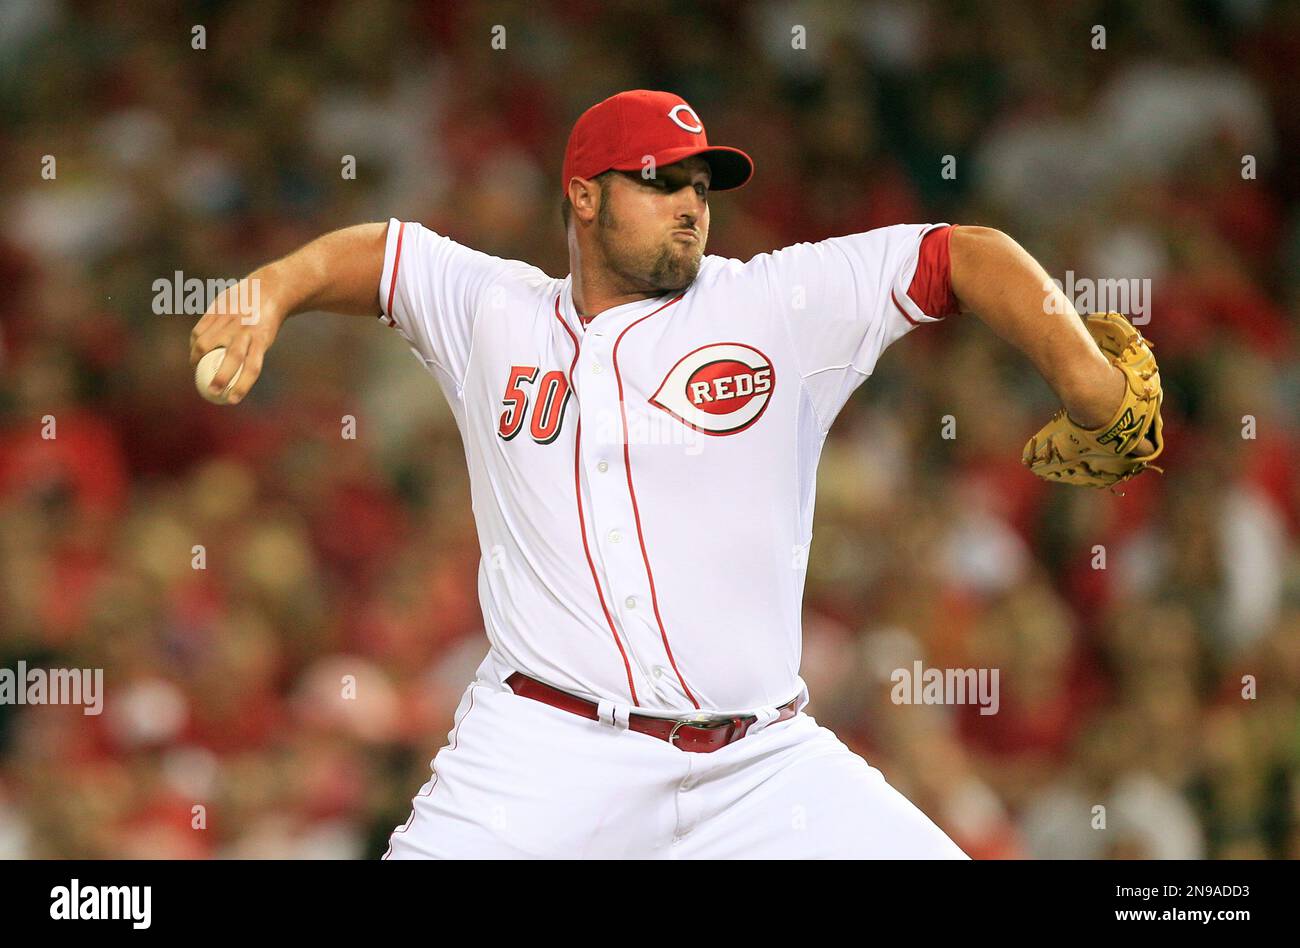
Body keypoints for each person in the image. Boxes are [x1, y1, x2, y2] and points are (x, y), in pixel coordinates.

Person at [190, 90, 1143, 859]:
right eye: (660, 180)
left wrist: (1084, 376)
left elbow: (958, 255)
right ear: (584, 194)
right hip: (547, 749)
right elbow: (382, 256)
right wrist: (268, 293)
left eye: (701, 183)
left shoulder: (774, 302)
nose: (692, 202)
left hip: (760, 761)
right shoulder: (496, 312)